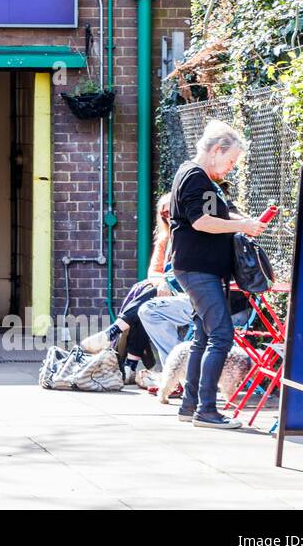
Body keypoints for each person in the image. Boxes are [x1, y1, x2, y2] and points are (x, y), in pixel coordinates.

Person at [167, 119, 266, 429]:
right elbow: (201, 221)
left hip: (203, 268)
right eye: (231, 160)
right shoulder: (195, 177)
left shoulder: (203, 179)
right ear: (217, 150)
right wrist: (242, 226)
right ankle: (207, 410)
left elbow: (218, 213)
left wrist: (246, 220)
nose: (232, 167)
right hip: (198, 269)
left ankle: (190, 405)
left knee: (204, 337)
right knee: (222, 334)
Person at [80, 194, 172, 381]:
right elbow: (154, 271)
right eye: (164, 213)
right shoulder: (165, 239)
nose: (168, 216)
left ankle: (114, 334)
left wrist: (166, 283)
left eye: (171, 211)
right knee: (147, 301)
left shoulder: (190, 237)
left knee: (148, 297)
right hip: (165, 291)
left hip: (183, 293)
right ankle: (129, 365)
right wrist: (162, 282)